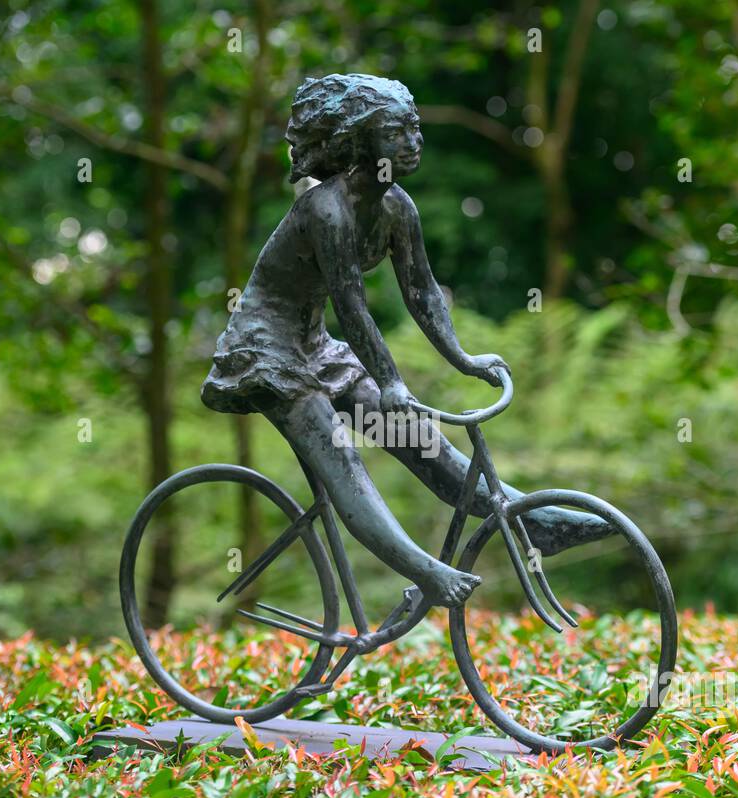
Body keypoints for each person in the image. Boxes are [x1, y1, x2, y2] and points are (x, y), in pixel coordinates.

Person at [202, 74, 607, 609]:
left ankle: (538, 521)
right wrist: (390, 380)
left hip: (317, 348)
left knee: (422, 444)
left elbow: (423, 293)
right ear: (361, 141)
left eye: (414, 128)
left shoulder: (397, 207)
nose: (413, 141)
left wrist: (463, 359)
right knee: (342, 456)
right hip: (267, 352)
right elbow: (352, 304)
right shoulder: (327, 209)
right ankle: (429, 575)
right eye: (397, 131)